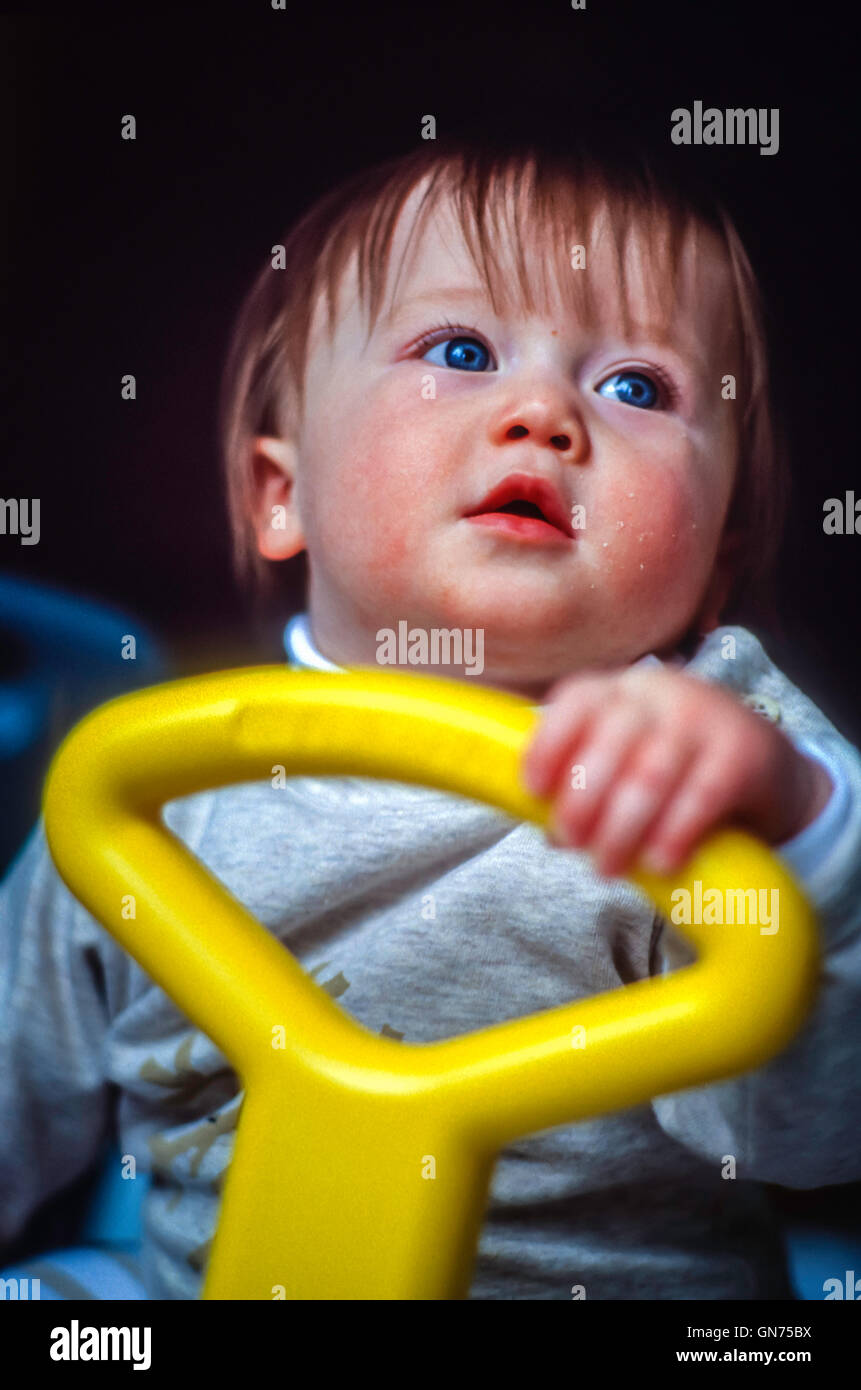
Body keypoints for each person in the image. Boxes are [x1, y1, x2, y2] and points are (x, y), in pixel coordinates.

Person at [2, 138, 860, 1300]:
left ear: (717, 557)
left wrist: (796, 826)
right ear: (281, 493)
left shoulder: (718, 751)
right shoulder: (157, 788)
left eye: (636, 386)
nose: (543, 412)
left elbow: (815, 1133)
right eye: (459, 352)